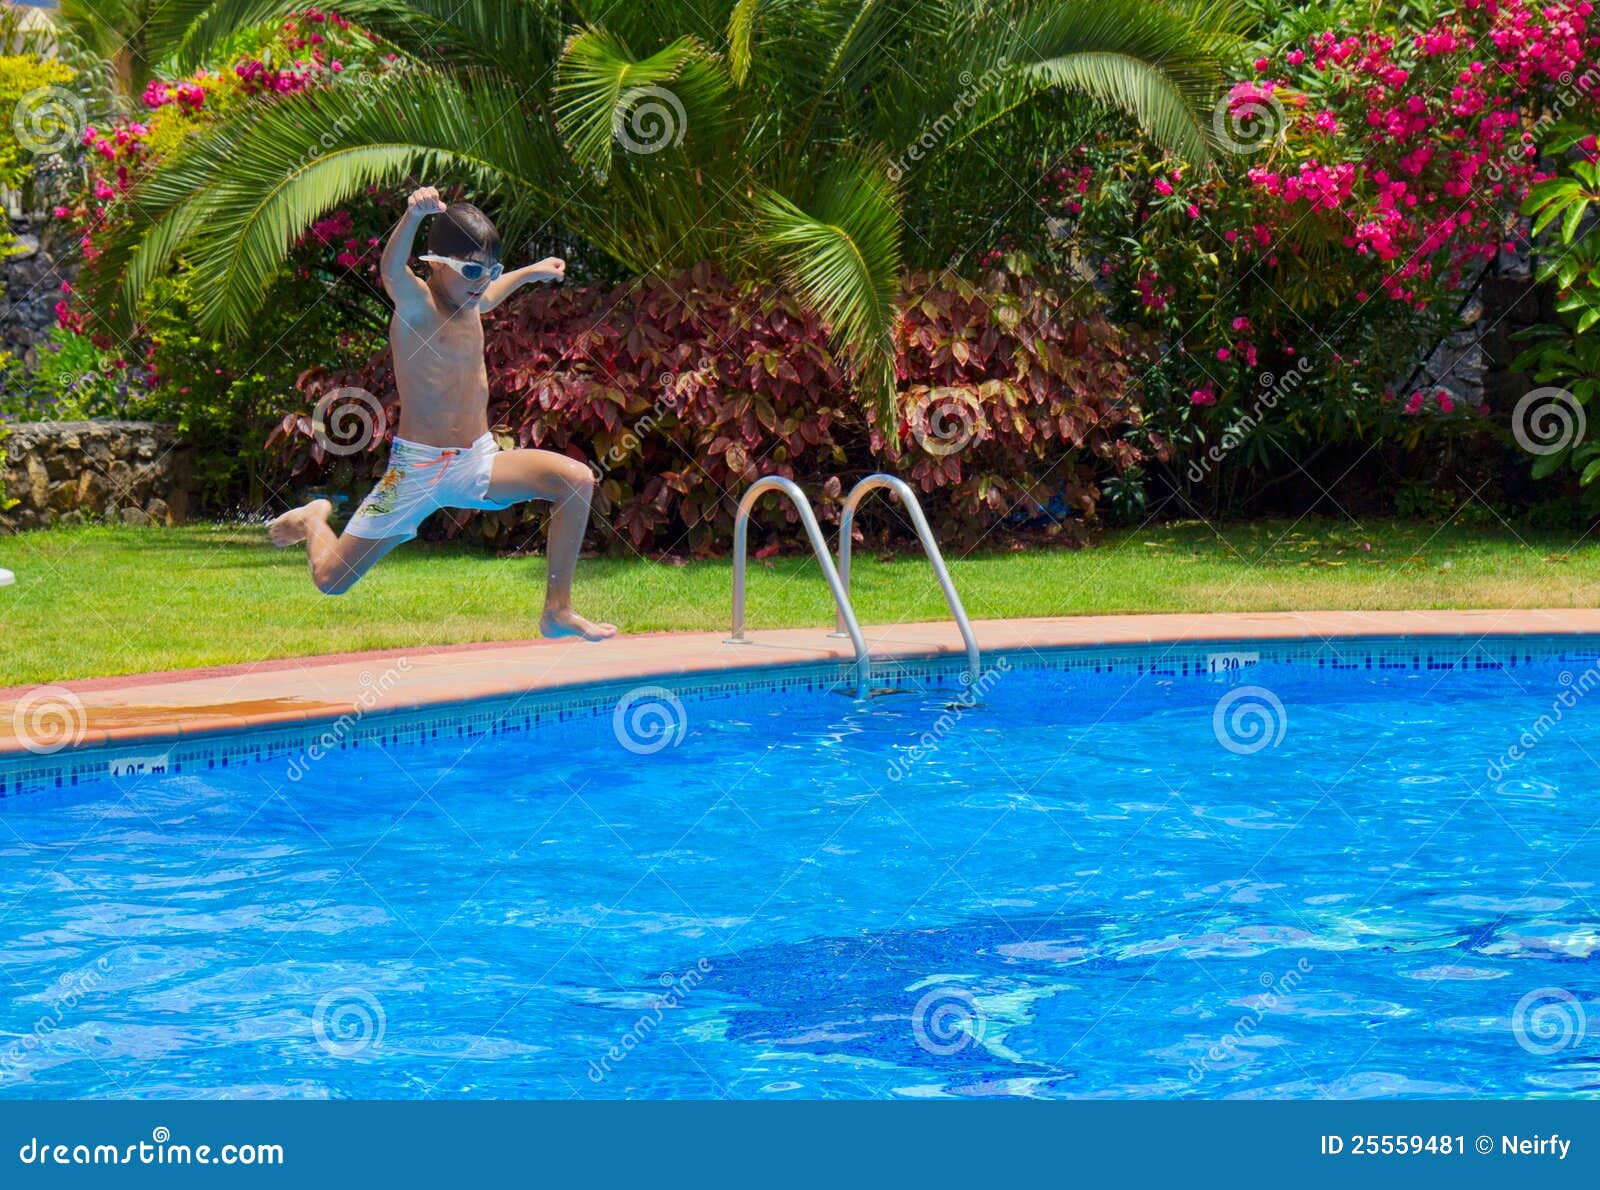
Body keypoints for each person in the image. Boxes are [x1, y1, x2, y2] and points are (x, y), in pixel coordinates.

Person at [270, 186, 616, 641]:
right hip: (416, 470)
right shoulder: (417, 306)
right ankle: (312, 519)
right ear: (435, 264)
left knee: (576, 480)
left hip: (477, 460)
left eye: (488, 270)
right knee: (332, 581)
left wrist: (528, 272)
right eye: (472, 271)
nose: (481, 282)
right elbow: (390, 269)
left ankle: (557, 610)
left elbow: (489, 294)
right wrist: (413, 215)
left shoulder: (470, 300)